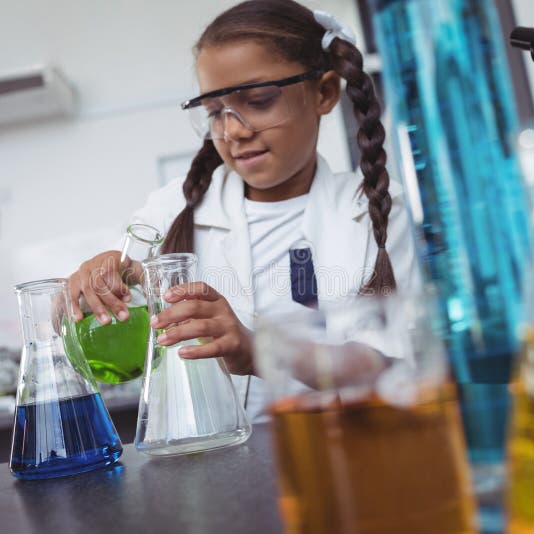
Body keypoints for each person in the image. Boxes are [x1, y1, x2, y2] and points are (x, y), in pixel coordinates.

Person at [68, 0, 419, 422]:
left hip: (336, 453)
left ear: (324, 93)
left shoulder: (375, 211)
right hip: (211, 468)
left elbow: (388, 364)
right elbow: (75, 320)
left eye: (259, 101)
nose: (233, 129)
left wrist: (261, 351)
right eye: (216, 112)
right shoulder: (171, 208)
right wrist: (87, 289)